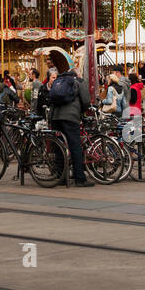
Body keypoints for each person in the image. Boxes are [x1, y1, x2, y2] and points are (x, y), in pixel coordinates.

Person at [45, 48, 92, 187]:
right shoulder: (79, 81)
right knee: (75, 146)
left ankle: (61, 176)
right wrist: (81, 112)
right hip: (70, 118)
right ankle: (79, 178)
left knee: (59, 146)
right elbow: (85, 101)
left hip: (56, 117)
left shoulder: (58, 81)